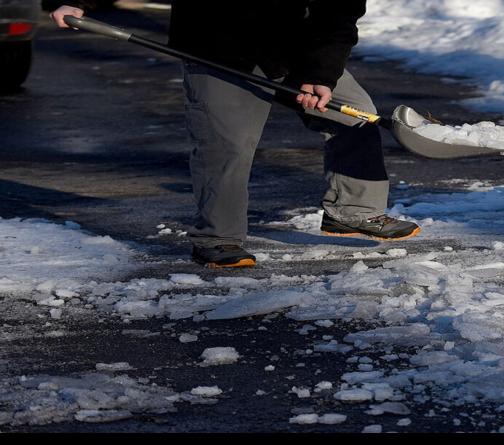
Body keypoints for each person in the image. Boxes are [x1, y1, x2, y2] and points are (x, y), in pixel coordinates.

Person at [49, 2, 419, 268]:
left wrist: (320, 73)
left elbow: (339, 10)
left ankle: (354, 211)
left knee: (357, 116)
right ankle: (218, 238)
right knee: (227, 144)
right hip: (217, 48)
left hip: (294, 49)